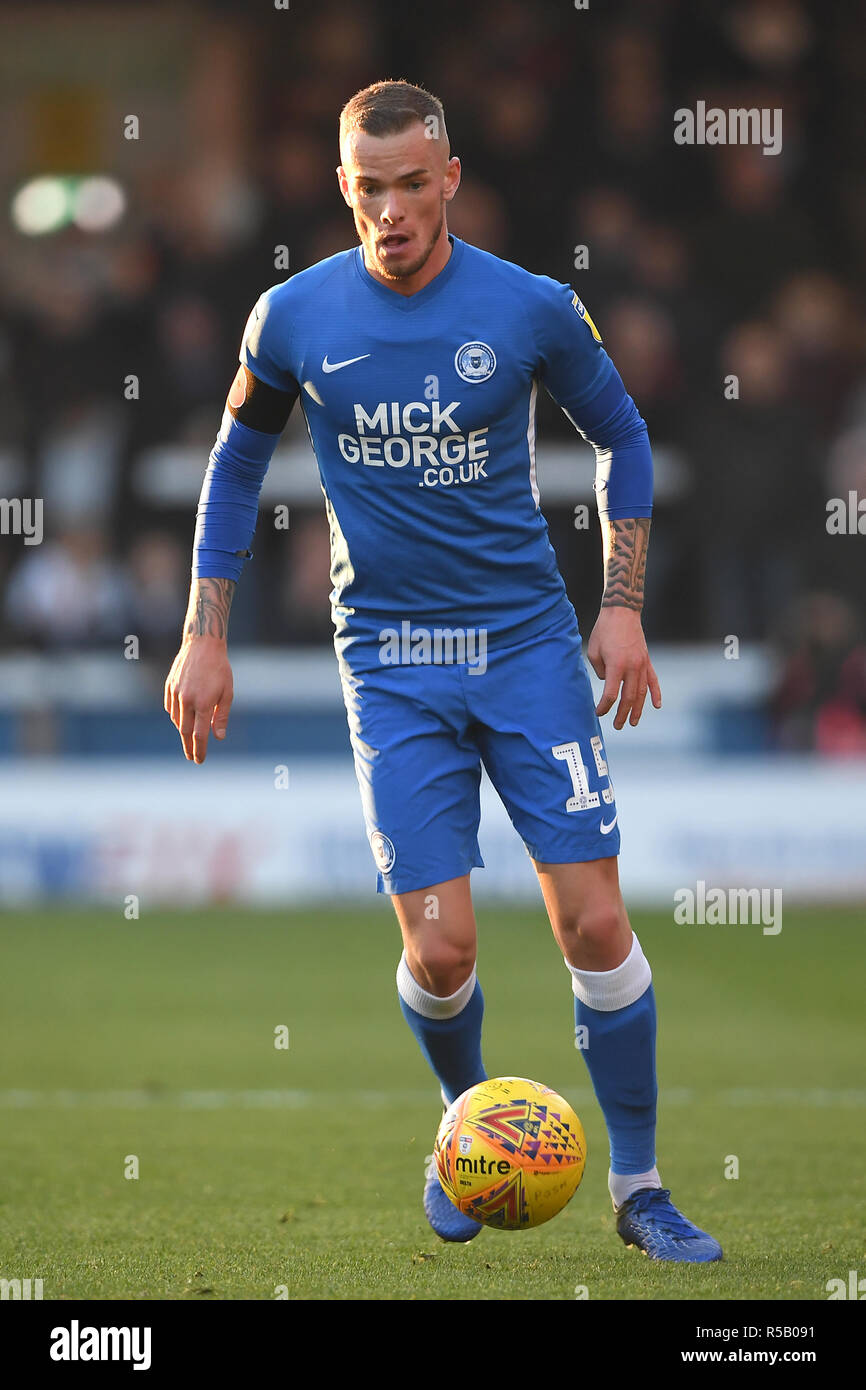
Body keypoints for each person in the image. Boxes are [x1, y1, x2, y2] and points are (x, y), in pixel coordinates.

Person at [164, 80, 722, 1261]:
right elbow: (230, 468)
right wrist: (202, 629)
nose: (393, 210)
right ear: (342, 189)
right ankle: (461, 1134)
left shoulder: (529, 308)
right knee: (442, 949)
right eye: (370, 189)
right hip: (392, 662)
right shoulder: (291, 317)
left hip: (525, 648)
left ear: (451, 179)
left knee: (594, 922)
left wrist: (618, 610)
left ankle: (638, 1186)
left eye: (414, 185)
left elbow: (620, 436)